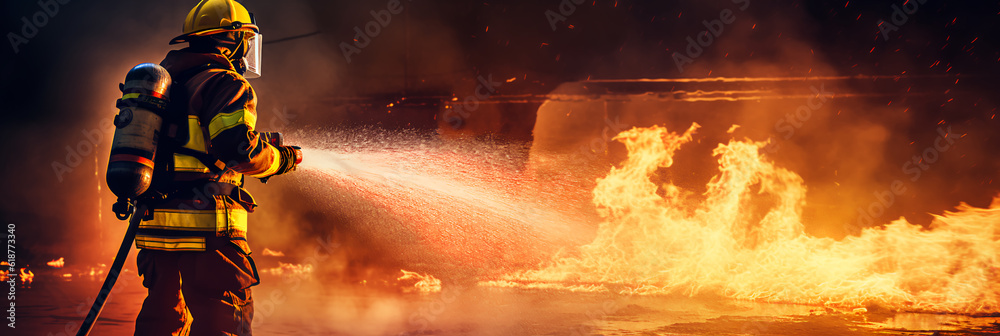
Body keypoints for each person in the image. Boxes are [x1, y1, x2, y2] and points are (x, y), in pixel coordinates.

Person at [132, 1, 300, 335]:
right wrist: (282, 159)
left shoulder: (165, 85)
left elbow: (192, 141)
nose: (248, 49)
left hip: (157, 232)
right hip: (209, 233)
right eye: (246, 40)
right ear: (232, 39)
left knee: (162, 322)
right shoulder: (225, 83)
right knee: (224, 323)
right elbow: (237, 149)